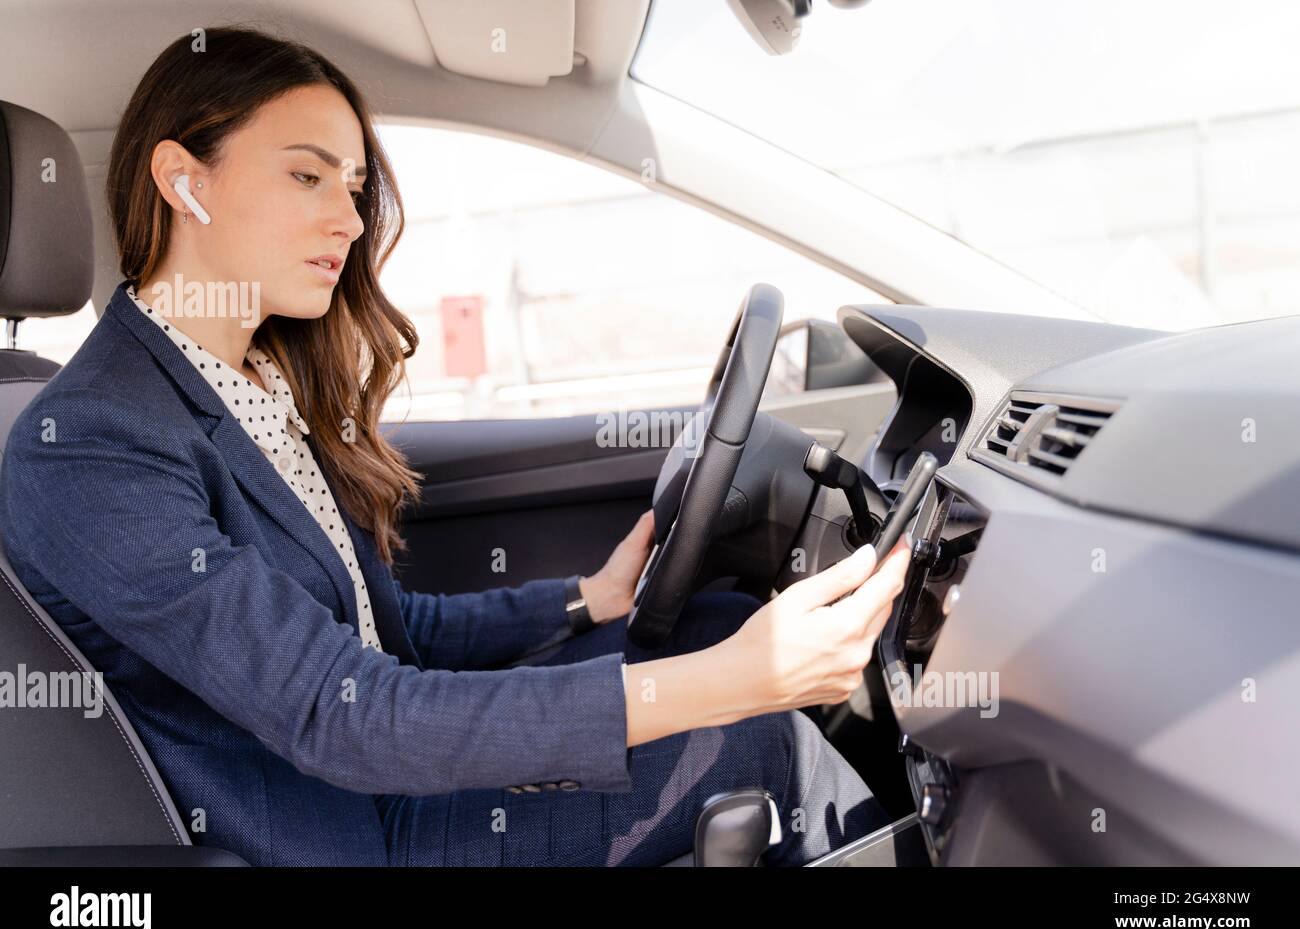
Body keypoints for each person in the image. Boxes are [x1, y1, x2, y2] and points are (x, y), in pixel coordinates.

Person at [0, 27, 911, 867]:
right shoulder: (91, 442)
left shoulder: (257, 383)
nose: (352, 223)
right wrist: (728, 685)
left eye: (353, 189)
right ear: (183, 179)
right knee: (763, 737)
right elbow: (342, 712)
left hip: (382, 779)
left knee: (709, 625)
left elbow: (391, 633)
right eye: (307, 177)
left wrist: (586, 599)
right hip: (353, 831)